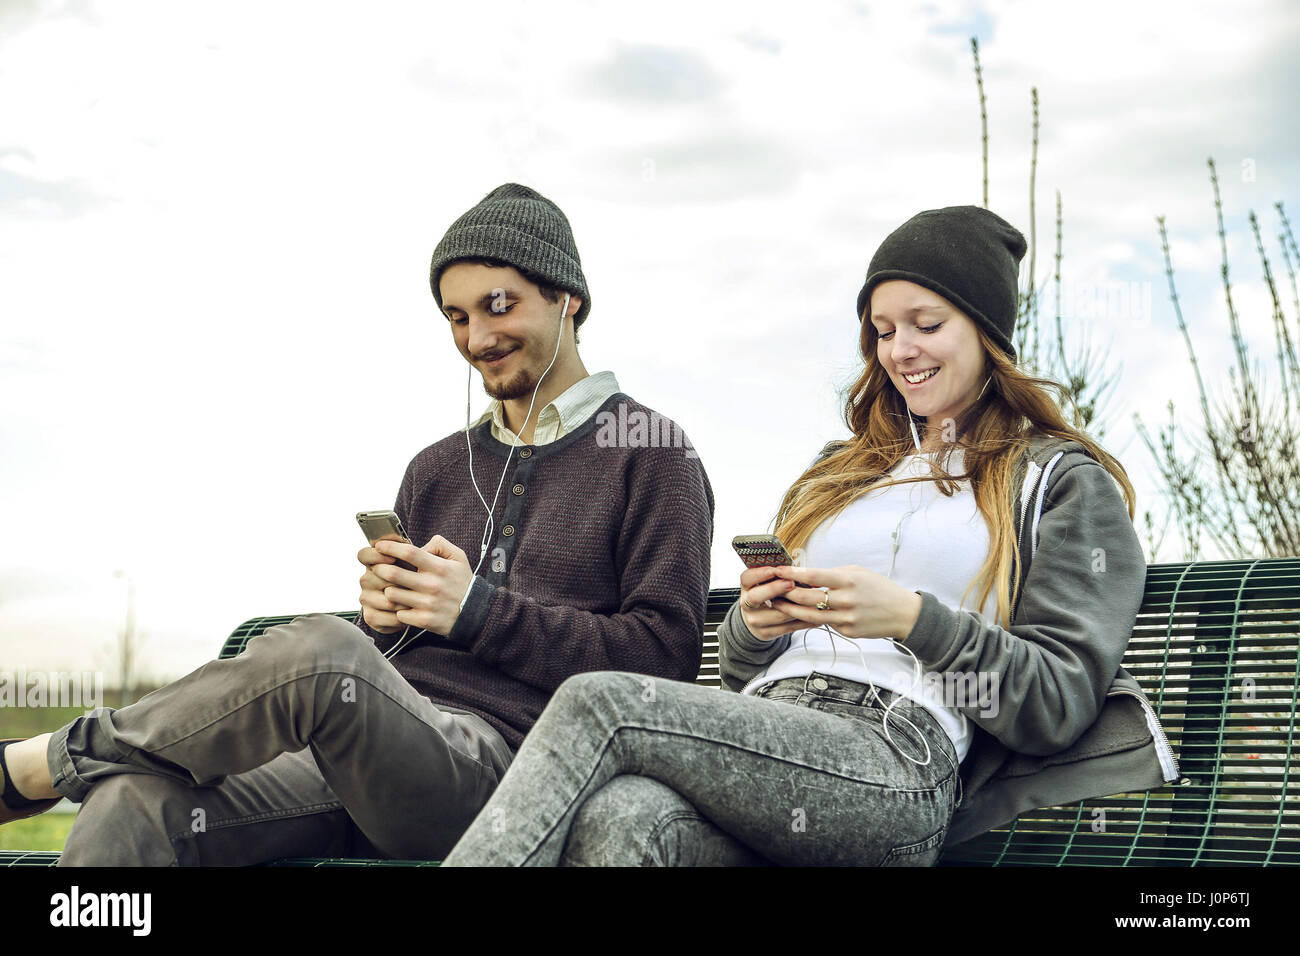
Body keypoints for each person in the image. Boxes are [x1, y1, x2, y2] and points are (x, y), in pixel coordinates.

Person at [441, 204, 1180, 867]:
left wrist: (916, 623)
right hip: (773, 733)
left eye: (928, 325)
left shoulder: (1057, 481)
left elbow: (1056, 701)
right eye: (883, 332)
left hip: (895, 757)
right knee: (626, 819)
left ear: (986, 333)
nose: (901, 351)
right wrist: (756, 628)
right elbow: (736, 672)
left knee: (597, 703)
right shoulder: (843, 474)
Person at [0, 183, 715, 865]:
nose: (476, 337)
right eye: (456, 317)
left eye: (498, 306)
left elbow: (663, 663)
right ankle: (76, 775)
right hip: (364, 756)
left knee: (318, 648)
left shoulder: (652, 455)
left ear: (568, 299)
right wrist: (386, 619)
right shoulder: (438, 466)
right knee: (132, 801)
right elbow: (393, 658)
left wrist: (477, 612)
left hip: (520, 775)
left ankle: (39, 767)